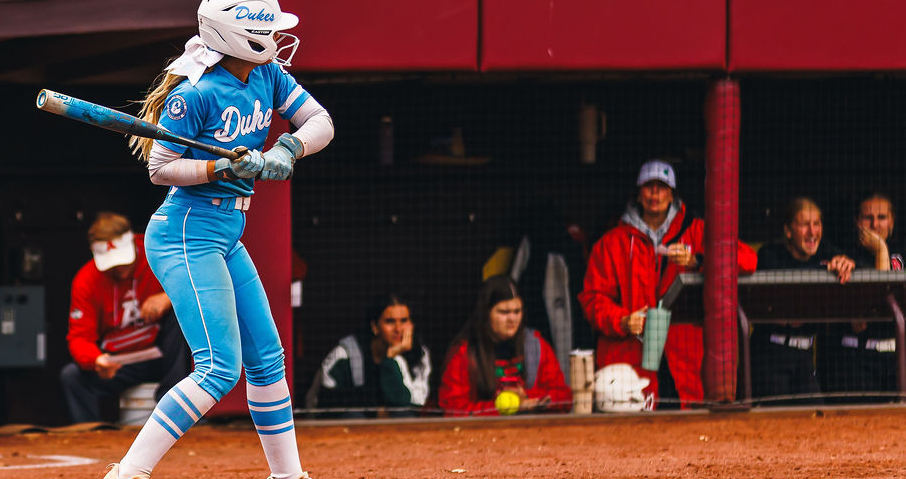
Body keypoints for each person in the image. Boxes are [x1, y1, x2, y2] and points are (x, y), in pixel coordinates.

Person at [94, 0, 354, 479]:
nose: (277, 39)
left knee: (267, 359)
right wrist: (221, 167)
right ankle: (127, 476)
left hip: (225, 232)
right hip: (185, 231)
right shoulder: (195, 92)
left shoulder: (266, 73)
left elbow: (321, 122)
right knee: (219, 368)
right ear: (239, 37)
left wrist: (287, 146)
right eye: (266, 31)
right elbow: (160, 168)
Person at [579, 160, 757, 409]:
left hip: (683, 353)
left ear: (672, 193)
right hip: (630, 352)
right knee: (631, 431)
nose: (655, 193)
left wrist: (698, 261)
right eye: (648, 186)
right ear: (638, 193)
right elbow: (592, 299)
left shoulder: (697, 231)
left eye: (661, 187)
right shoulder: (612, 242)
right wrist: (622, 320)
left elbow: (747, 259)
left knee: (688, 427)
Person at [60, 213, 191, 425]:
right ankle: (89, 436)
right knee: (72, 376)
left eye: (123, 261)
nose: (119, 270)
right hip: (120, 362)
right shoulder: (86, 279)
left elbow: (198, 285)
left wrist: (169, 297)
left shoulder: (157, 252)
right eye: (111, 264)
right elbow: (79, 338)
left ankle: (174, 414)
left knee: (181, 313)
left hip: (164, 354)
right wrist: (96, 360)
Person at [751, 196, 855, 402]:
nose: (812, 231)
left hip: (805, 356)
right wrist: (824, 269)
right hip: (770, 354)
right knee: (776, 423)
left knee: (815, 417)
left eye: (816, 224)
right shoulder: (770, 254)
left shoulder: (825, 251)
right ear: (788, 231)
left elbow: (856, 267)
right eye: (804, 224)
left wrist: (845, 262)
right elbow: (788, 280)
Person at [438, 274, 572, 416]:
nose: (512, 319)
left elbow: (564, 398)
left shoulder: (536, 346)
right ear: (486, 314)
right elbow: (452, 409)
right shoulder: (464, 353)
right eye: (504, 312)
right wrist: (499, 408)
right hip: (481, 434)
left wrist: (528, 397)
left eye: (517, 311)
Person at [822, 192, 903, 399]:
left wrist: (881, 251)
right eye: (868, 218)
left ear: (892, 220)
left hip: (897, 358)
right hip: (855, 359)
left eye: (882, 217)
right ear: (857, 222)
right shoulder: (844, 255)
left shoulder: (902, 253)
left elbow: (883, 303)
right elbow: (873, 306)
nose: (875, 224)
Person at [304, 294, 432, 414]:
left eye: (404, 321)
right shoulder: (345, 354)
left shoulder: (419, 355)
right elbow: (326, 403)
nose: (398, 329)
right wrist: (376, 409)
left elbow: (411, 405)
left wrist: (390, 358)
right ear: (375, 326)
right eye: (390, 321)